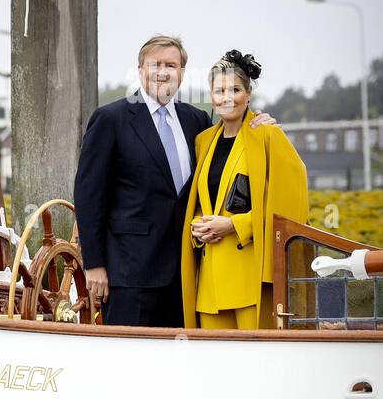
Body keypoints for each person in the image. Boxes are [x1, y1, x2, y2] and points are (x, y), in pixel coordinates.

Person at [73, 34, 274, 328]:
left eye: (172, 64)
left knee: (179, 365)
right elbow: (89, 195)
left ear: (181, 73)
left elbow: (229, 145)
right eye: (155, 64)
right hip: (130, 274)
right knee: (132, 360)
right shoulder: (110, 119)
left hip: (187, 272)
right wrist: (94, 264)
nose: (163, 71)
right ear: (140, 70)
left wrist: (258, 123)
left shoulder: (197, 121)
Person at [181, 50, 308, 330]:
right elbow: (203, 199)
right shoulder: (203, 141)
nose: (227, 97)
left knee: (257, 365)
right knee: (215, 367)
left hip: (250, 279)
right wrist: (198, 227)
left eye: (235, 89)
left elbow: (292, 209)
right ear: (211, 97)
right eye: (219, 90)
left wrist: (234, 225)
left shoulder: (269, 135)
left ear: (248, 93)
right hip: (210, 284)